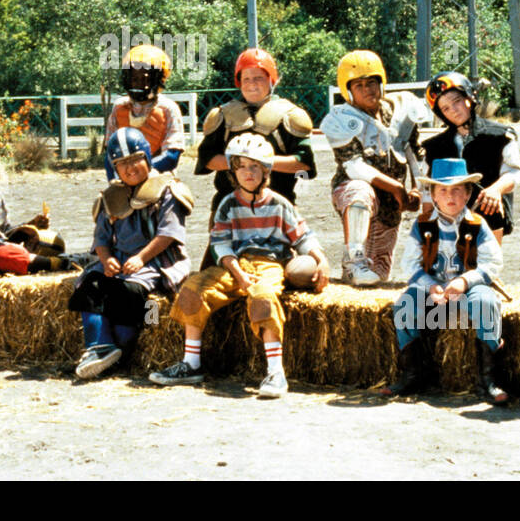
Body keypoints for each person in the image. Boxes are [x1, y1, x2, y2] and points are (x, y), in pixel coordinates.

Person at [151, 134, 329, 399]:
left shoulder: (281, 204)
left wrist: (320, 259)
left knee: (263, 297)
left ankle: (275, 371)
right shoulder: (228, 205)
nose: (249, 172)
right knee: (192, 288)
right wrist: (238, 273)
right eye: (241, 166)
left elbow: (302, 236)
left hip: (269, 264)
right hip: (233, 265)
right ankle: (191, 363)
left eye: (255, 166)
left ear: (266, 170)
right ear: (233, 172)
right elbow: (221, 245)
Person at [69, 128, 194, 379]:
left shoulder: (168, 189)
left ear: (148, 157)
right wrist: (106, 260)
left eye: (135, 159)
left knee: (132, 294)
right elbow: (101, 238)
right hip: (121, 259)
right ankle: (100, 347)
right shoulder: (111, 196)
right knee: (89, 285)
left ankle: (123, 352)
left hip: (156, 261)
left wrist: (141, 258)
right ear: (115, 167)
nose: (130, 168)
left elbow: (168, 234)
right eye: (122, 163)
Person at [381, 158, 508, 404]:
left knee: (486, 303)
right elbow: (410, 264)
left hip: (469, 288)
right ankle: (413, 374)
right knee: (405, 305)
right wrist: (430, 285)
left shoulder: (477, 225)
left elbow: (492, 263)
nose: (450, 196)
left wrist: (465, 281)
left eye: (457, 190)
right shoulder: (423, 226)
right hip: (434, 286)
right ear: (433, 195)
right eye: (443, 190)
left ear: (468, 194)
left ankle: (488, 380)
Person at [320, 50, 427, 286]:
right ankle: (353, 261)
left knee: (378, 276)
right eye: (359, 85)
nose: (368, 89)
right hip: (357, 194)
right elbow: (354, 166)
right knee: (359, 190)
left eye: (372, 82)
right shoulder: (342, 117)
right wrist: (397, 189)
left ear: (382, 83)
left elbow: (415, 152)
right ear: (348, 90)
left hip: (391, 205)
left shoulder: (400, 108)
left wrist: (419, 189)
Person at [194, 48, 317, 241]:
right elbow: (207, 159)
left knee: (299, 269)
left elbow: (304, 164)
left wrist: (263, 161)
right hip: (229, 206)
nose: (252, 84)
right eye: (246, 79)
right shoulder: (223, 115)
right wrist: (242, 163)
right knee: (215, 268)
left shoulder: (290, 115)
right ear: (239, 82)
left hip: (278, 204)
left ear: (271, 79)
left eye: (259, 78)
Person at [422, 71, 520, 243]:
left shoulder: (499, 136)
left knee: (490, 207)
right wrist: (426, 225)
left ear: (469, 98)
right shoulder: (433, 148)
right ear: (441, 114)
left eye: (456, 101)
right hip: (449, 211)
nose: (453, 110)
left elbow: (514, 173)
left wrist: (496, 190)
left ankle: (489, 264)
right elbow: (427, 190)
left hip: (487, 210)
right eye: (445, 108)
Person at [104, 44, 185, 179]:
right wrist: (116, 181)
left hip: (159, 177)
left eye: (145, 79)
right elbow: (109, 153)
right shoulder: (119, 108)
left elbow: (172, 155)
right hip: (125, 177)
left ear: (158, 80)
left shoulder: (168, 109)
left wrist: (141, 172)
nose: (138, 84)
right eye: (134, 79)